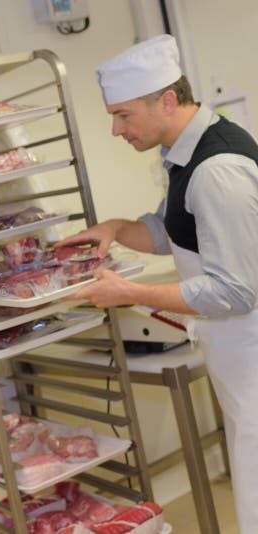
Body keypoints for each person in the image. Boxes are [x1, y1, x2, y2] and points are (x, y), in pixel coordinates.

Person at [57, 34, 258, 530]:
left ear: (167, 100)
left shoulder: (217, 170)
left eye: (123, 115)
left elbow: (234, 291)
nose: (114, 129)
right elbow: (173, 230)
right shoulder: (186, 153)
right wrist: (115, 230)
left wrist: (130, 294)